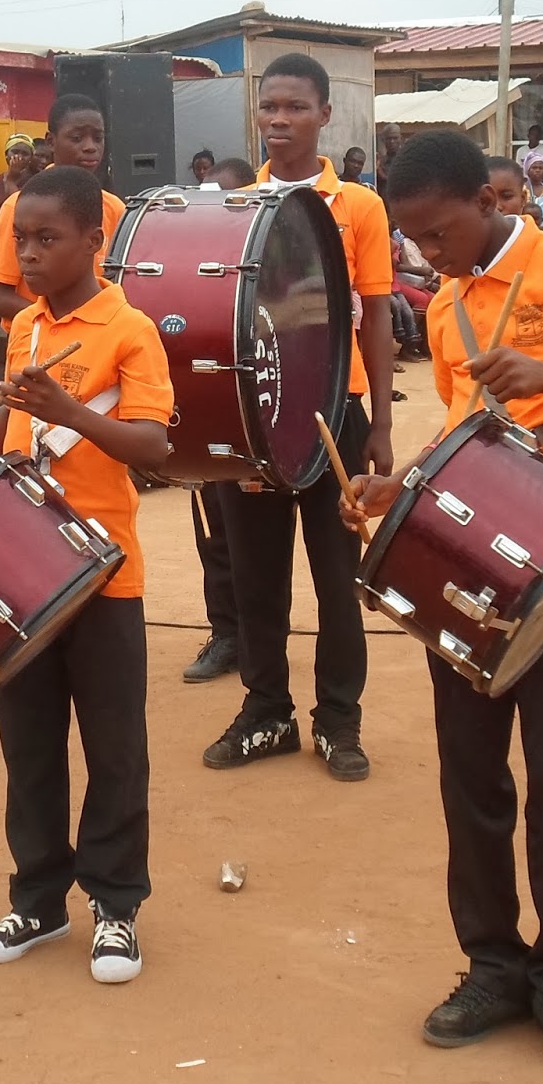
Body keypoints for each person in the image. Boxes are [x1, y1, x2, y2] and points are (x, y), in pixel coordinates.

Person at [341, 128, 543, 1079]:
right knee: (470, 782)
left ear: (487, 199)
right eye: (416, 243)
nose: (429, 256)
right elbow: (460, 439)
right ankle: (491, 962)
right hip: (463, 567)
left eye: (439, 235)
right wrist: (398, 490)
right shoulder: (442, 307)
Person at [0, 166, 172, 983]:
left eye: (49, 239)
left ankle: (115, 905)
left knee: (116, 749)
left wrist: (74, 414)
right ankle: (39, 899)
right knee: (30, 743)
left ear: (95, 240)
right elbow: (8, 423)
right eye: (21, 239)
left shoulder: (129, 329)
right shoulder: (27, 330)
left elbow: (152, 446)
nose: (30, 254)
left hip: (101, 573)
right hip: (18, 570)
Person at [199, 53, 394, 781]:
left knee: (338, 577)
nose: (278, 120)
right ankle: (267, 712)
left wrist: (376, 421)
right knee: (256, 578)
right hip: (255, 420)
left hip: (331, 417)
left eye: (294, 107)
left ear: (324, 114)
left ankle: (339, 721)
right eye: (268, 107)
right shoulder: (234, 206)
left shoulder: (360, 208)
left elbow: (376, 315)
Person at [181, 153, 258, 685]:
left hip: (263, 424)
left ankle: (257, 638)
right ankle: (226, 632)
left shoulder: (261, 265)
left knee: (257, 545)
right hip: (211, 419)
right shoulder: (189, 267)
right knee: (215, 535)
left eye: (228, 200)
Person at [0, 95, 123, 328]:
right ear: (51, 141)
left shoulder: (114, 208)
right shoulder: (18, 207)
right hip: (34, 345)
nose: (90, 147)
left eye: (98, 138)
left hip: (99, 343)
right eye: (77, 138)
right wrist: (65, 323)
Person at [0, 134, 36, 232]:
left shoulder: (34, 184)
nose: (19, 157)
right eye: (15, 152)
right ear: (6, 154)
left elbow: (21, 210)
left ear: (31, 158)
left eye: (25, 154)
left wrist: (11, 179)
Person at [377, 121, 403, 196]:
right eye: (388, 138)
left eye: (395, 138)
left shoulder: (406, 158)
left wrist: (380, 172)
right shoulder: (380, 161)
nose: (392, 141)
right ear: (383, 140)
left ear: (400, 138)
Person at [524, 154, 543, 222]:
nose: (537, 170)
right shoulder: (522, 188)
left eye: (541, 168)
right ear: (528, 170)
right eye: (534, 168)